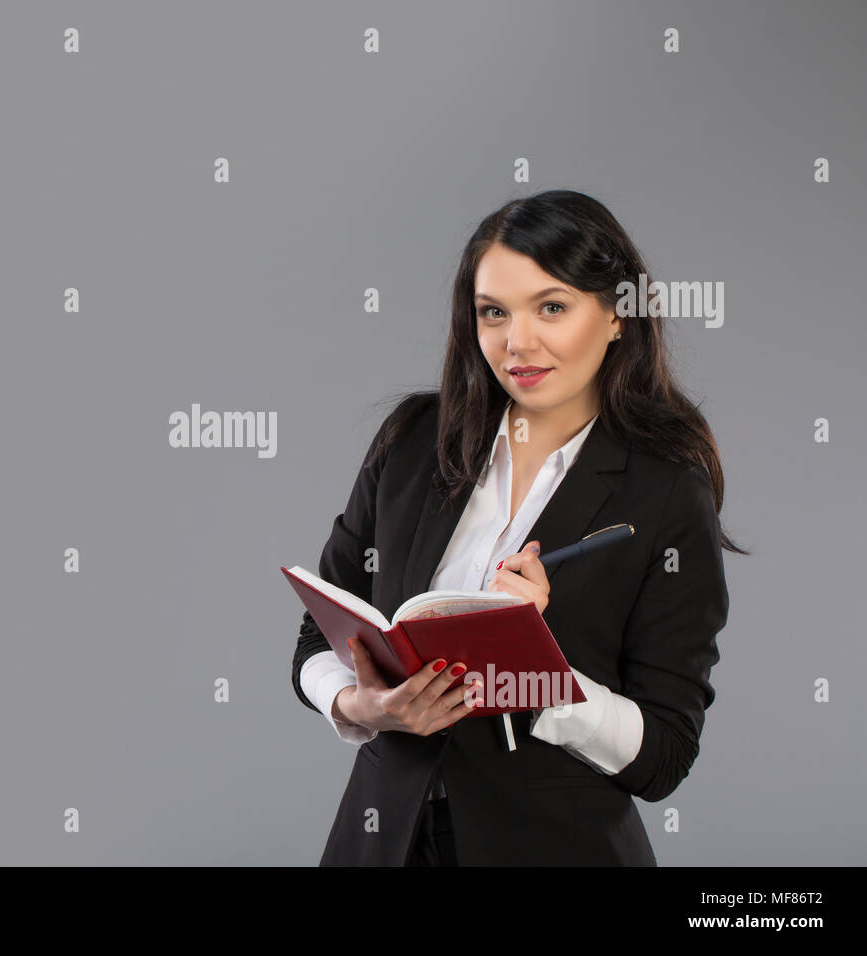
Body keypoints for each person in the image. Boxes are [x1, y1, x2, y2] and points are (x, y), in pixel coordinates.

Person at [291, 189, 747, 866]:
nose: (517, 342)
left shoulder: (666, 493)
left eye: (552, 307)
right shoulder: (414, 441)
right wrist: (363, 706)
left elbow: (665, 755)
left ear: (618, 315)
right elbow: (314, 640)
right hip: (380, 841)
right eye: (493, 313)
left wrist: (538, 670)